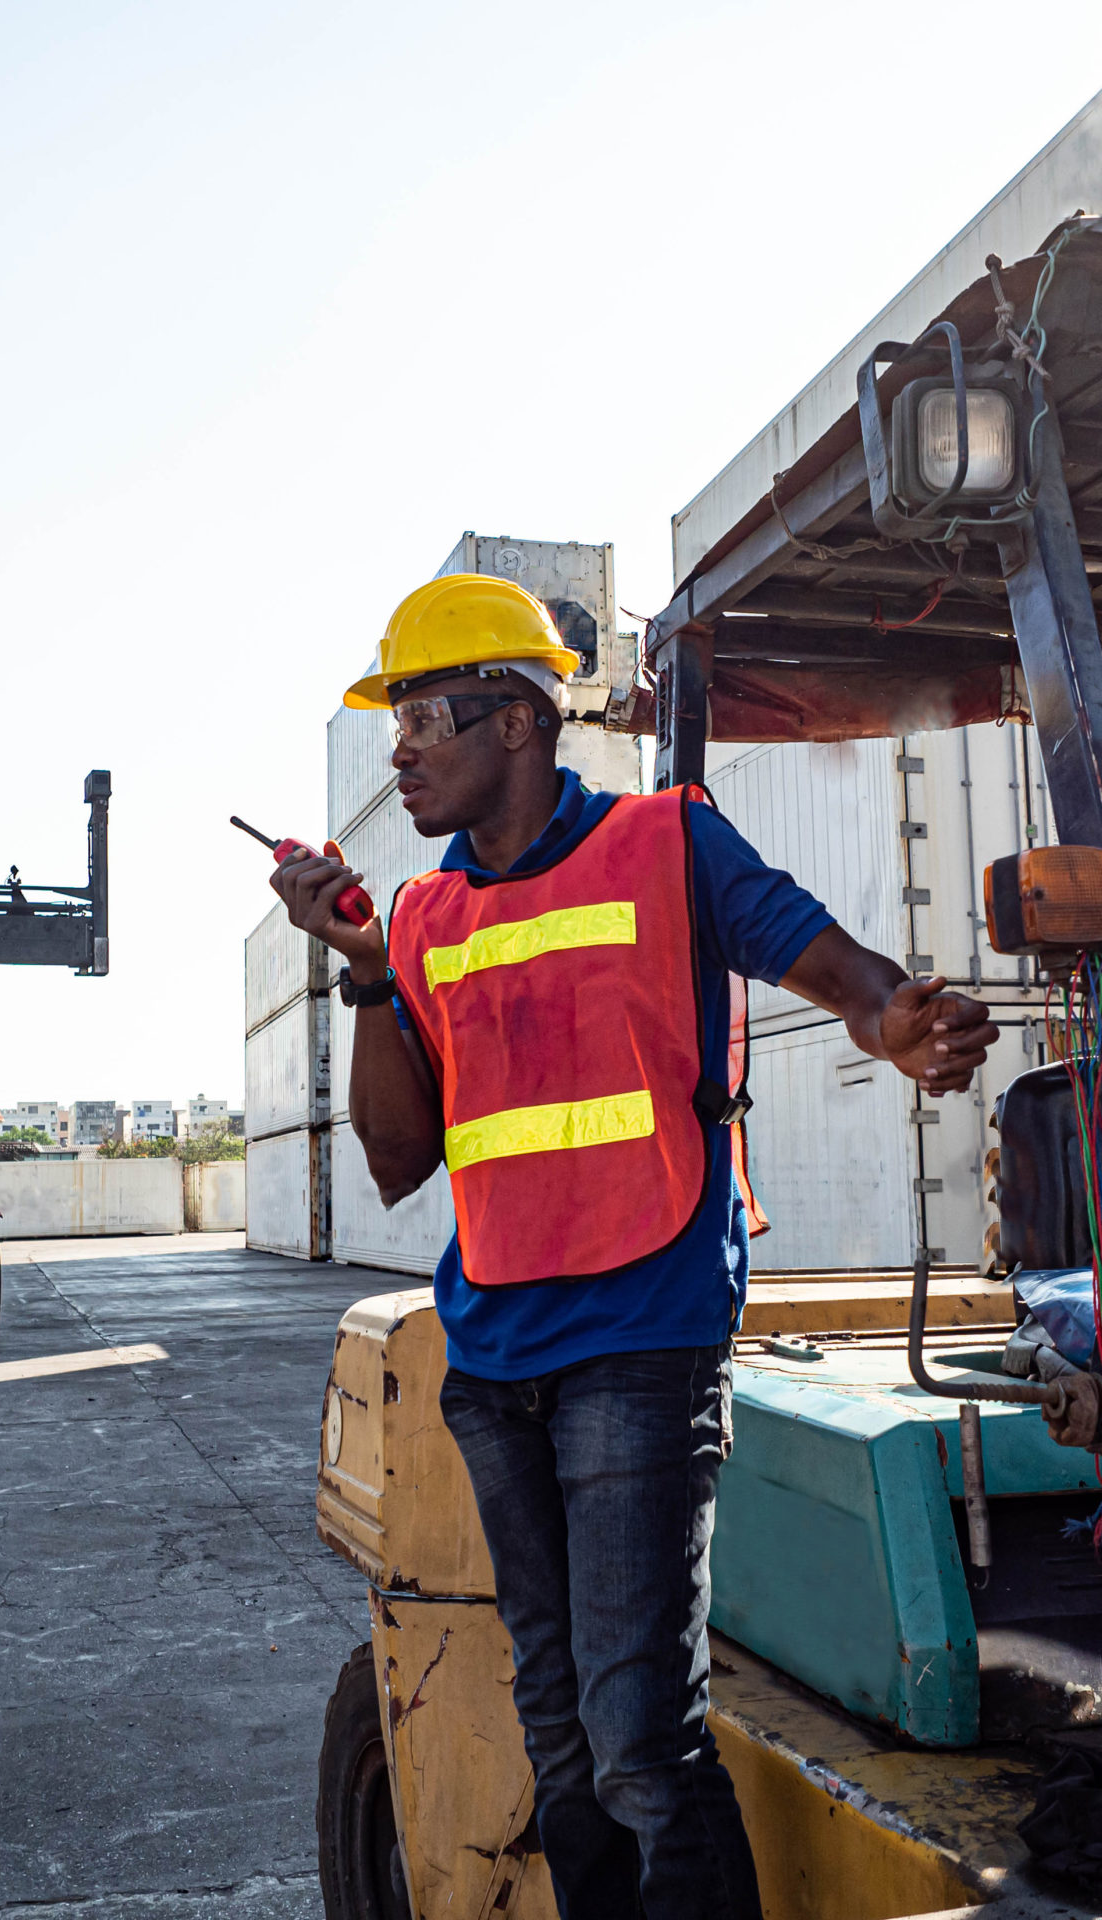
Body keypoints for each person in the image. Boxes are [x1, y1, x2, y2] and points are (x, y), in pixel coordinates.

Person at [273, 574, 998, 1918]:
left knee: (640, 1747)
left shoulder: (668, 846)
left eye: (424, 715)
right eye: (396, 721)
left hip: (640, 1350)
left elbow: (836, 971)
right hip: (496, 1364)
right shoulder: (423, 921)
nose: (401, 748)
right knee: (561, 1742)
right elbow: (394, 1159)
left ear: (518, 721)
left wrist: (898, 1021)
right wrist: (364, 970)